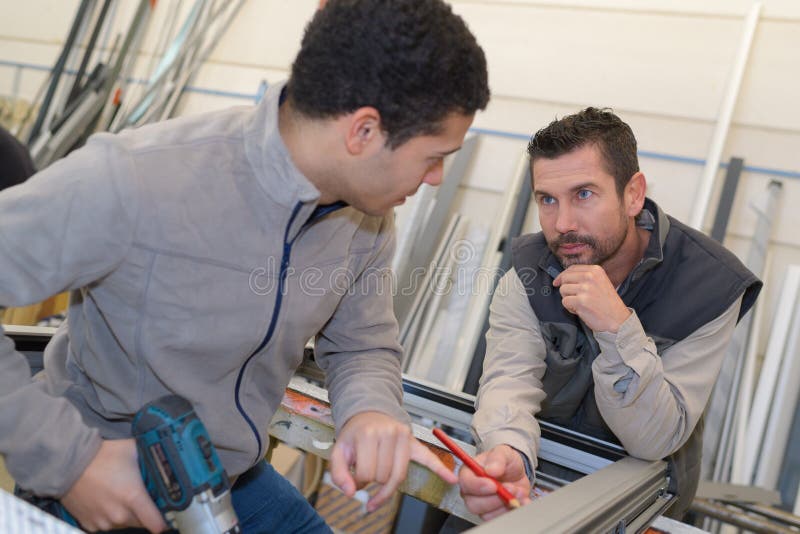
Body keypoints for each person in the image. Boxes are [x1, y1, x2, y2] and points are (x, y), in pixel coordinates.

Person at [0, 1, 489, 532]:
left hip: (231, 477)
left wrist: (371, 409)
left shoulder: (365, 217)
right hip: (108, 477)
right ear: (363, 132)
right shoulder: (137, 179)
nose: (437, 178)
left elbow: (362, 343)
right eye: (434, 156)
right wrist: (67, 459)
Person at [458, 108, 761, 522]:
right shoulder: (527, 272)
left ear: (633, 194)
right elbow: (509, 381)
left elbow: (654, 440)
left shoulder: (711, 287)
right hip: (533, 477)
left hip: (636, 508)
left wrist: (618, 328)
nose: (562, 224)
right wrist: (507, 450)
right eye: (547, 200)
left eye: (584, 194)